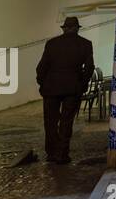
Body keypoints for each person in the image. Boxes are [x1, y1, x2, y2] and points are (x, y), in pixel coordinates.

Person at [36, 16, 95, 164]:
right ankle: (62, 154)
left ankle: (51, 152)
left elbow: (42, 67)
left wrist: (42, 83)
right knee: (66, 122)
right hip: (72, 87)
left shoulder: (52, 44)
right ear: (77, 28)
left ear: (64, 28)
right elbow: (89, 68)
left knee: (50, 122)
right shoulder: (85, 44)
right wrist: (82, 84)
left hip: (51, 87)